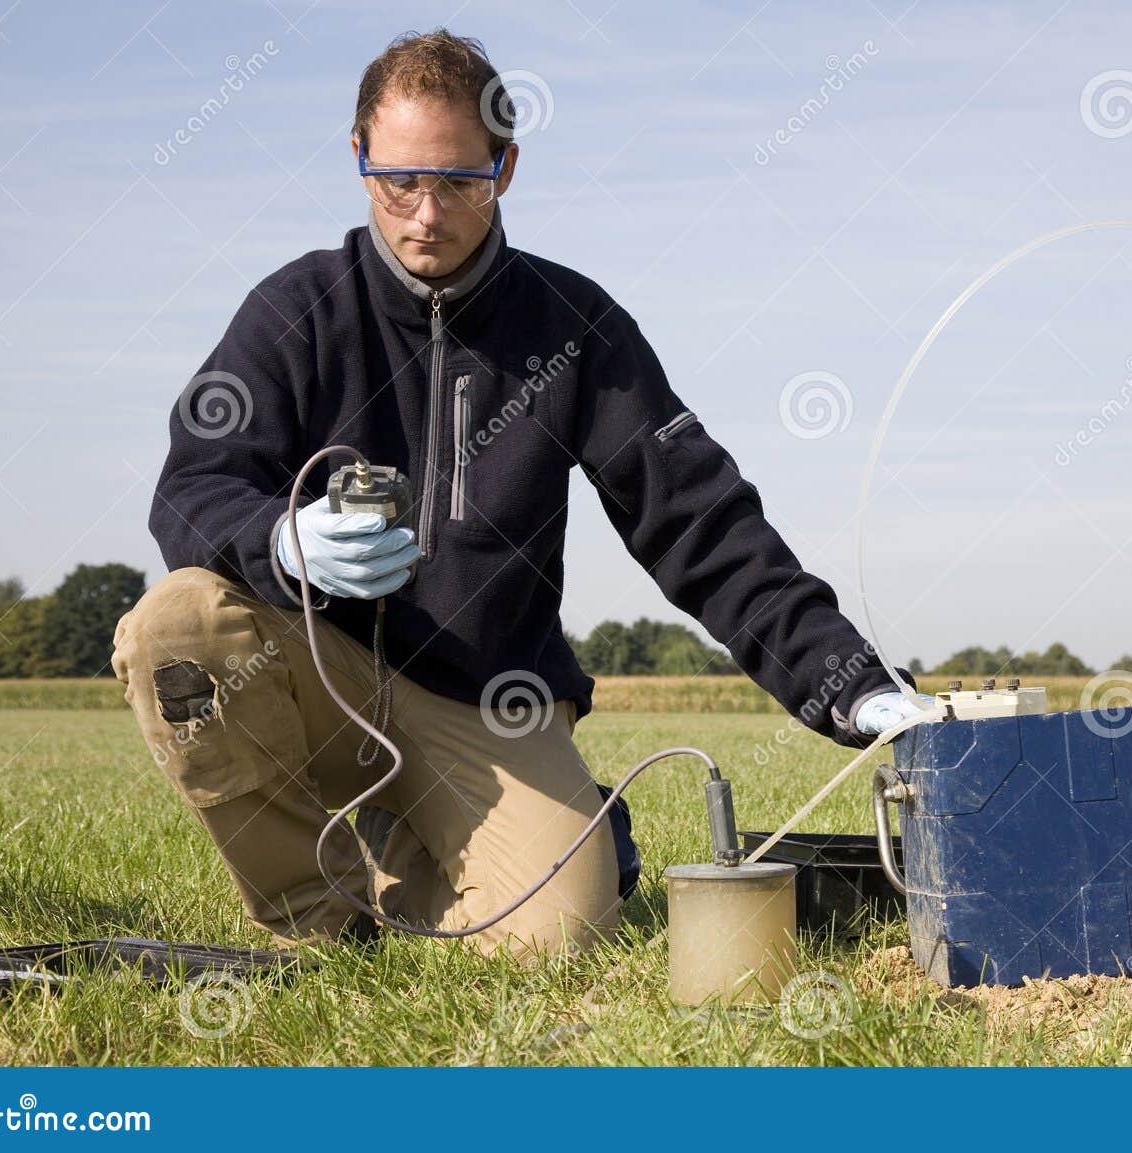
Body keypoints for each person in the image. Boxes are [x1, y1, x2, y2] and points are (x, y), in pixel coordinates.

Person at [111, 28, 930, 962]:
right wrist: (280, 541)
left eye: (460, 180)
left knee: (553, 938)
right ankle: (318, 919)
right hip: (319, 678)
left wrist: (853, 684)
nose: (427, 214)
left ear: (505, 166)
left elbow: (700, 524)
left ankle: (505, 837)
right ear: (358, 157)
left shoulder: (578, 326)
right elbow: (192, 488)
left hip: (486, 701)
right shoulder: (294, 309)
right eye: (399, 180)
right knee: (174, 625)